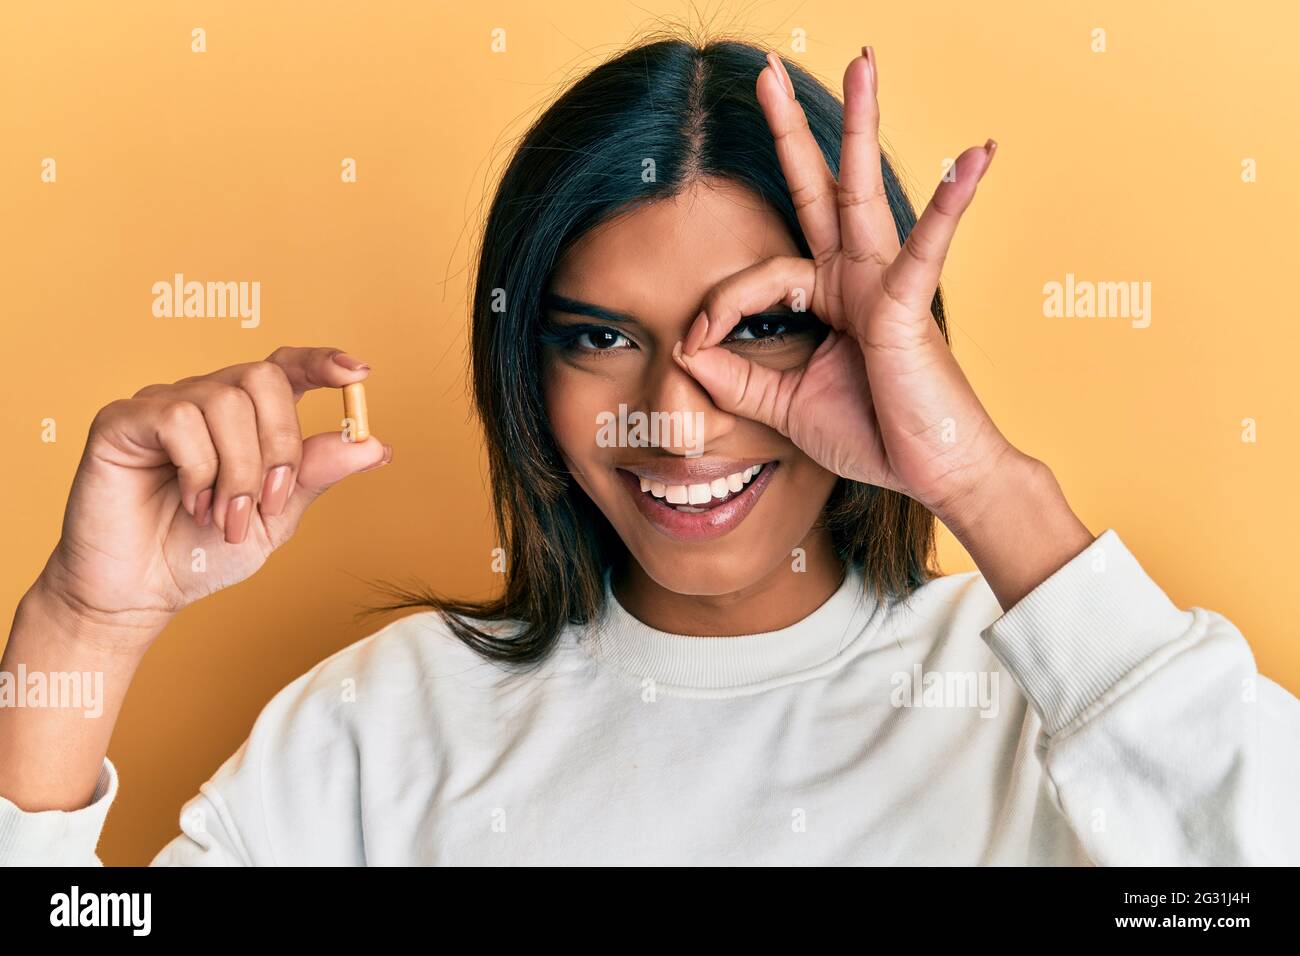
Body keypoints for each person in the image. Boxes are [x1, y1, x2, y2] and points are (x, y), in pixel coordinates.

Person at [2, 37, 1297, 866]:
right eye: (600, 337)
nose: (675, 422)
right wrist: (81, 629)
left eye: (766, 329)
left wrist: (988, 488)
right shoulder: (380, 731)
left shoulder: (1057, 705)